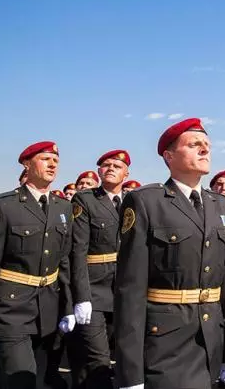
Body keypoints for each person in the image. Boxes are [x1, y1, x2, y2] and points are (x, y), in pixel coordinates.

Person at [114, 118, 225, 389]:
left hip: (211, 338)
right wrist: (130, 373)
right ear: (169, 156)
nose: (204, 150)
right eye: (194, 144)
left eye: (207, 145)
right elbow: (130, 290)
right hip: (166, 342)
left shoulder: (222, 206)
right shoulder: (146, 201)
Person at [0, 141, 75, 389]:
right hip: (11, 308)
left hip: (48, 307)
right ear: (27, 164)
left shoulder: (63, 207)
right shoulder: (4, 205)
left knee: (31, 377)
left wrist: (69, 306)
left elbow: (64, 261)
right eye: (45, 159)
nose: (52, 164)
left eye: (56, 161)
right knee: (22, 376)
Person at [69, 150, 130, 388]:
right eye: (106, 165)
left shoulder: (131, 202)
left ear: (127, 173)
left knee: (116, 357)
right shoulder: (85, 200)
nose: (111, 168)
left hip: (122, 291)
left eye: (117, 165)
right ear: (99, 171)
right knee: (99, 359)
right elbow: (78, 251)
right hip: (94, 290)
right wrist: (82, 296)